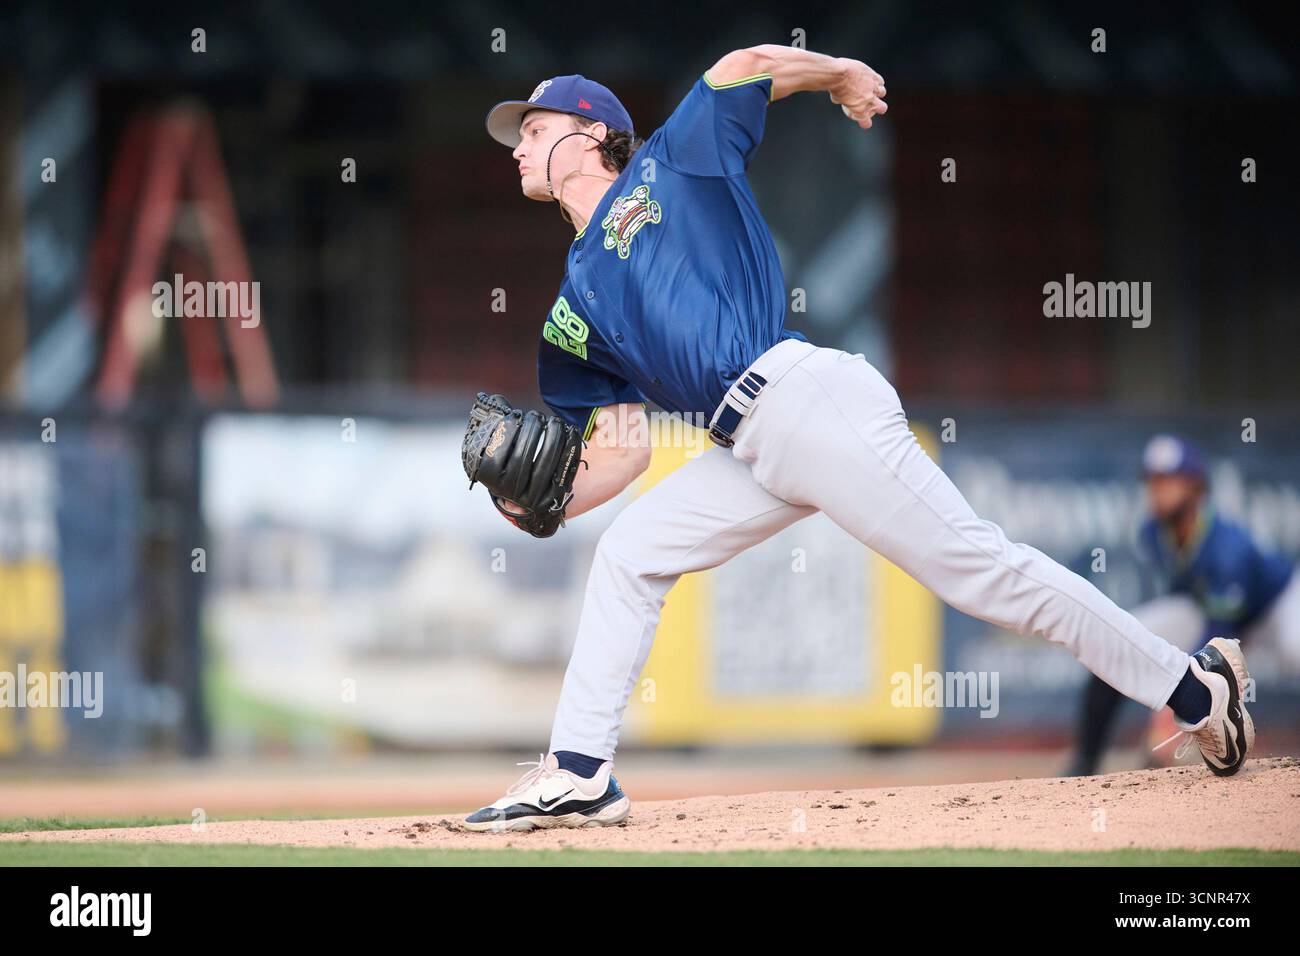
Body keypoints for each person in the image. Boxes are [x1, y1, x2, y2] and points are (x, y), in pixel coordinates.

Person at [463, 45, 1254, 832]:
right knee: (630, 553)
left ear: (592, 131)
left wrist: (838, 72)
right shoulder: (573, 307)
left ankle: (1194, 689)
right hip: (749, 451)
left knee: (982, 573)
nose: (520, 146)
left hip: (807, 399)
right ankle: (578, 773)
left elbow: (742, 66)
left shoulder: (671, 164)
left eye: (533, 128)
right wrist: (545, 507)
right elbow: (625, 450)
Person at [1067, 434, 1296, 776]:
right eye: (1153, 481)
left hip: (1279, 603)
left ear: (1196, 487)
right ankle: (1084, 763)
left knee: (1295, 649)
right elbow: (1198, 610)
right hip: (1210, 611)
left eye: (1170, 480)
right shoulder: (1154, 533)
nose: (1158, 491)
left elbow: (1220, 635)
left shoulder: (1226, 546)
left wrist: (1172, 707)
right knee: (1115, 637)